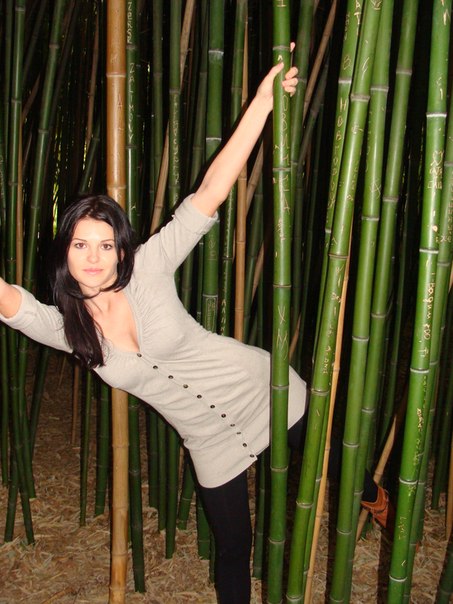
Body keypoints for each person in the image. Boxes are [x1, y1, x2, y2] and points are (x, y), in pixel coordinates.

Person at [0, 61, 392, 603]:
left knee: (340, 470)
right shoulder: (68, 329)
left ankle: (378, 500)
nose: (94, 257)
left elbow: (211, 188)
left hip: (263, 388)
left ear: (121, 249)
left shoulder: (151, 265)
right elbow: (11, 301)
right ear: (65, 251)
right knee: (233, 547)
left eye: (106, 244)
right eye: (81, 244)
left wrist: (262, 103)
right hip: (209, 441)